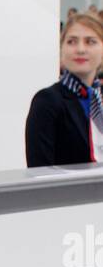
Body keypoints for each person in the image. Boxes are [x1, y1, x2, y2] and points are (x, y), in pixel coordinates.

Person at [25, 11, 103, 166]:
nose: (80, 49)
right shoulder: (47, 101)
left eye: (90, 41)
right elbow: (40, 173)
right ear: (61, 50)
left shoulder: (98, 99)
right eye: (72, 42)